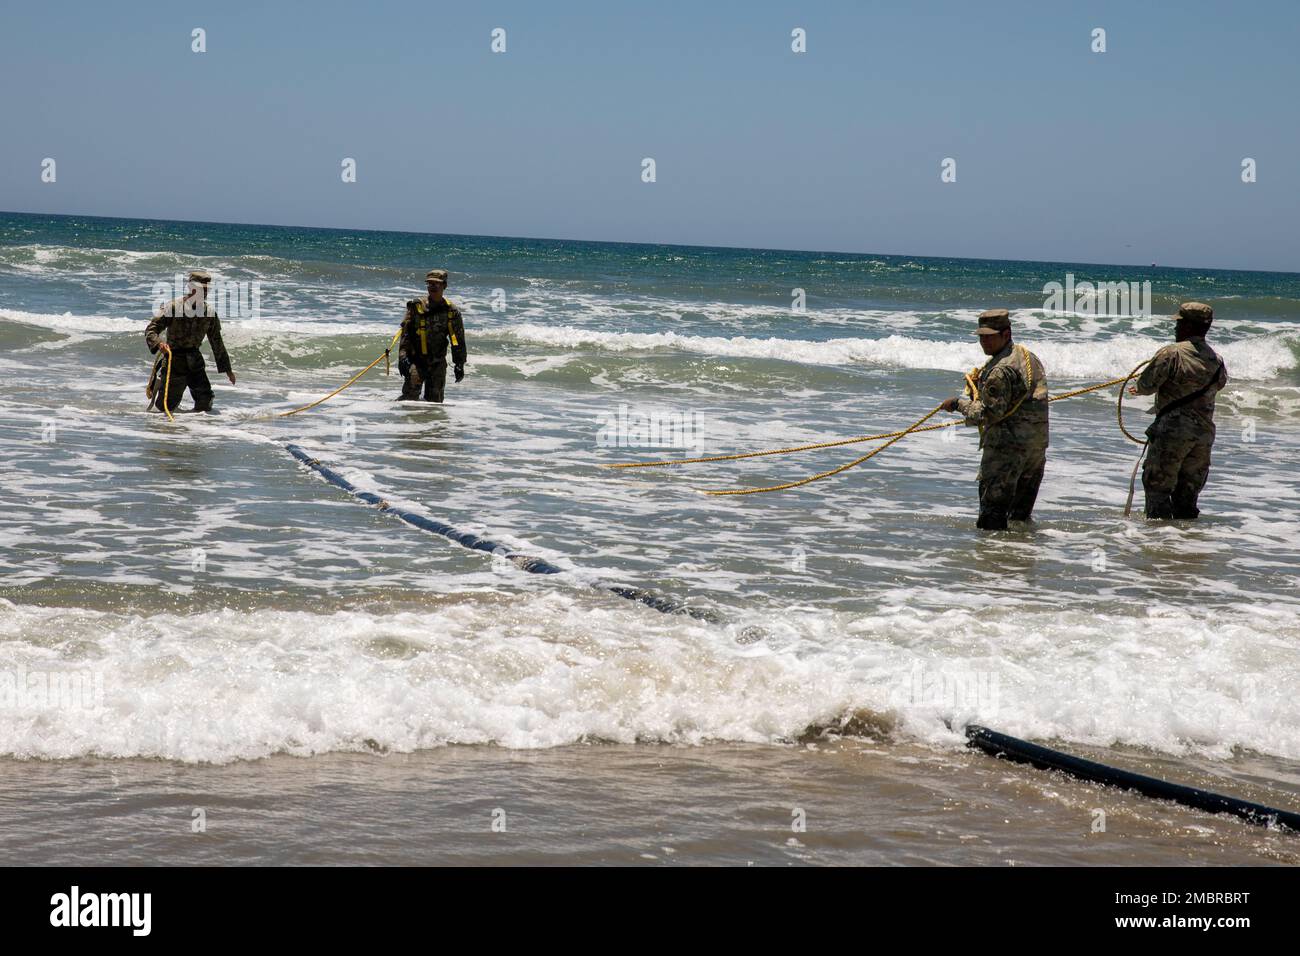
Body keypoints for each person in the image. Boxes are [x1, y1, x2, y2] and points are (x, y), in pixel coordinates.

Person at [940, 309, 1049, 530]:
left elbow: (986, 414)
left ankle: (993, 562)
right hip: (1035, 450)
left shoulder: (1000, 371)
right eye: (981, 336)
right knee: (1019, 521)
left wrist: (958, 404)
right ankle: (1017, 561)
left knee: (992, 521)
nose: (984, 342)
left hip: (1005, 453)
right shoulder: (1027, 356)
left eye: (989, 336)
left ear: (1006, 334)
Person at [1129, 301, 1228, 520]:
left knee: (1157, 491)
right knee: (1187, 498)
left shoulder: (1171, 353)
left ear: (1189, 326)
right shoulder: (1217, 361)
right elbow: (1219, 385)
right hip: (1203, 437)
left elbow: (1146, 385)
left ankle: (1160, 547)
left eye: (1179, 323)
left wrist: (1139, 388)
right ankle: (1184, 547)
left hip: (1173, 433)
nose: (1176, 327)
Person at [144, 270, 235, 413]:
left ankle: (195, 428)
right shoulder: (173, 307)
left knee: (205, 404)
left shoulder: (209, 312)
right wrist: (159, 343)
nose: (204, 293)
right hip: (174, 362)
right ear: (191, 288)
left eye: (206, 290)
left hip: (195, 362)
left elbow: (216, 341)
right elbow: (151, 329)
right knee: (165, 407)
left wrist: (227, 369)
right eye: (200, 289)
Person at [398, 269, 467, 402]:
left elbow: (457, 340)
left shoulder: (452, 312)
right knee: (409, 400)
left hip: (437, 363)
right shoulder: (416, 307)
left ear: (444, 286)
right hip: (416, 361)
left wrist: (459, 363)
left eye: (436, 284)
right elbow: (405, 335)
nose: (432, 287)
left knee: (435, 404)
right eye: (429, 284)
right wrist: (402, 357)